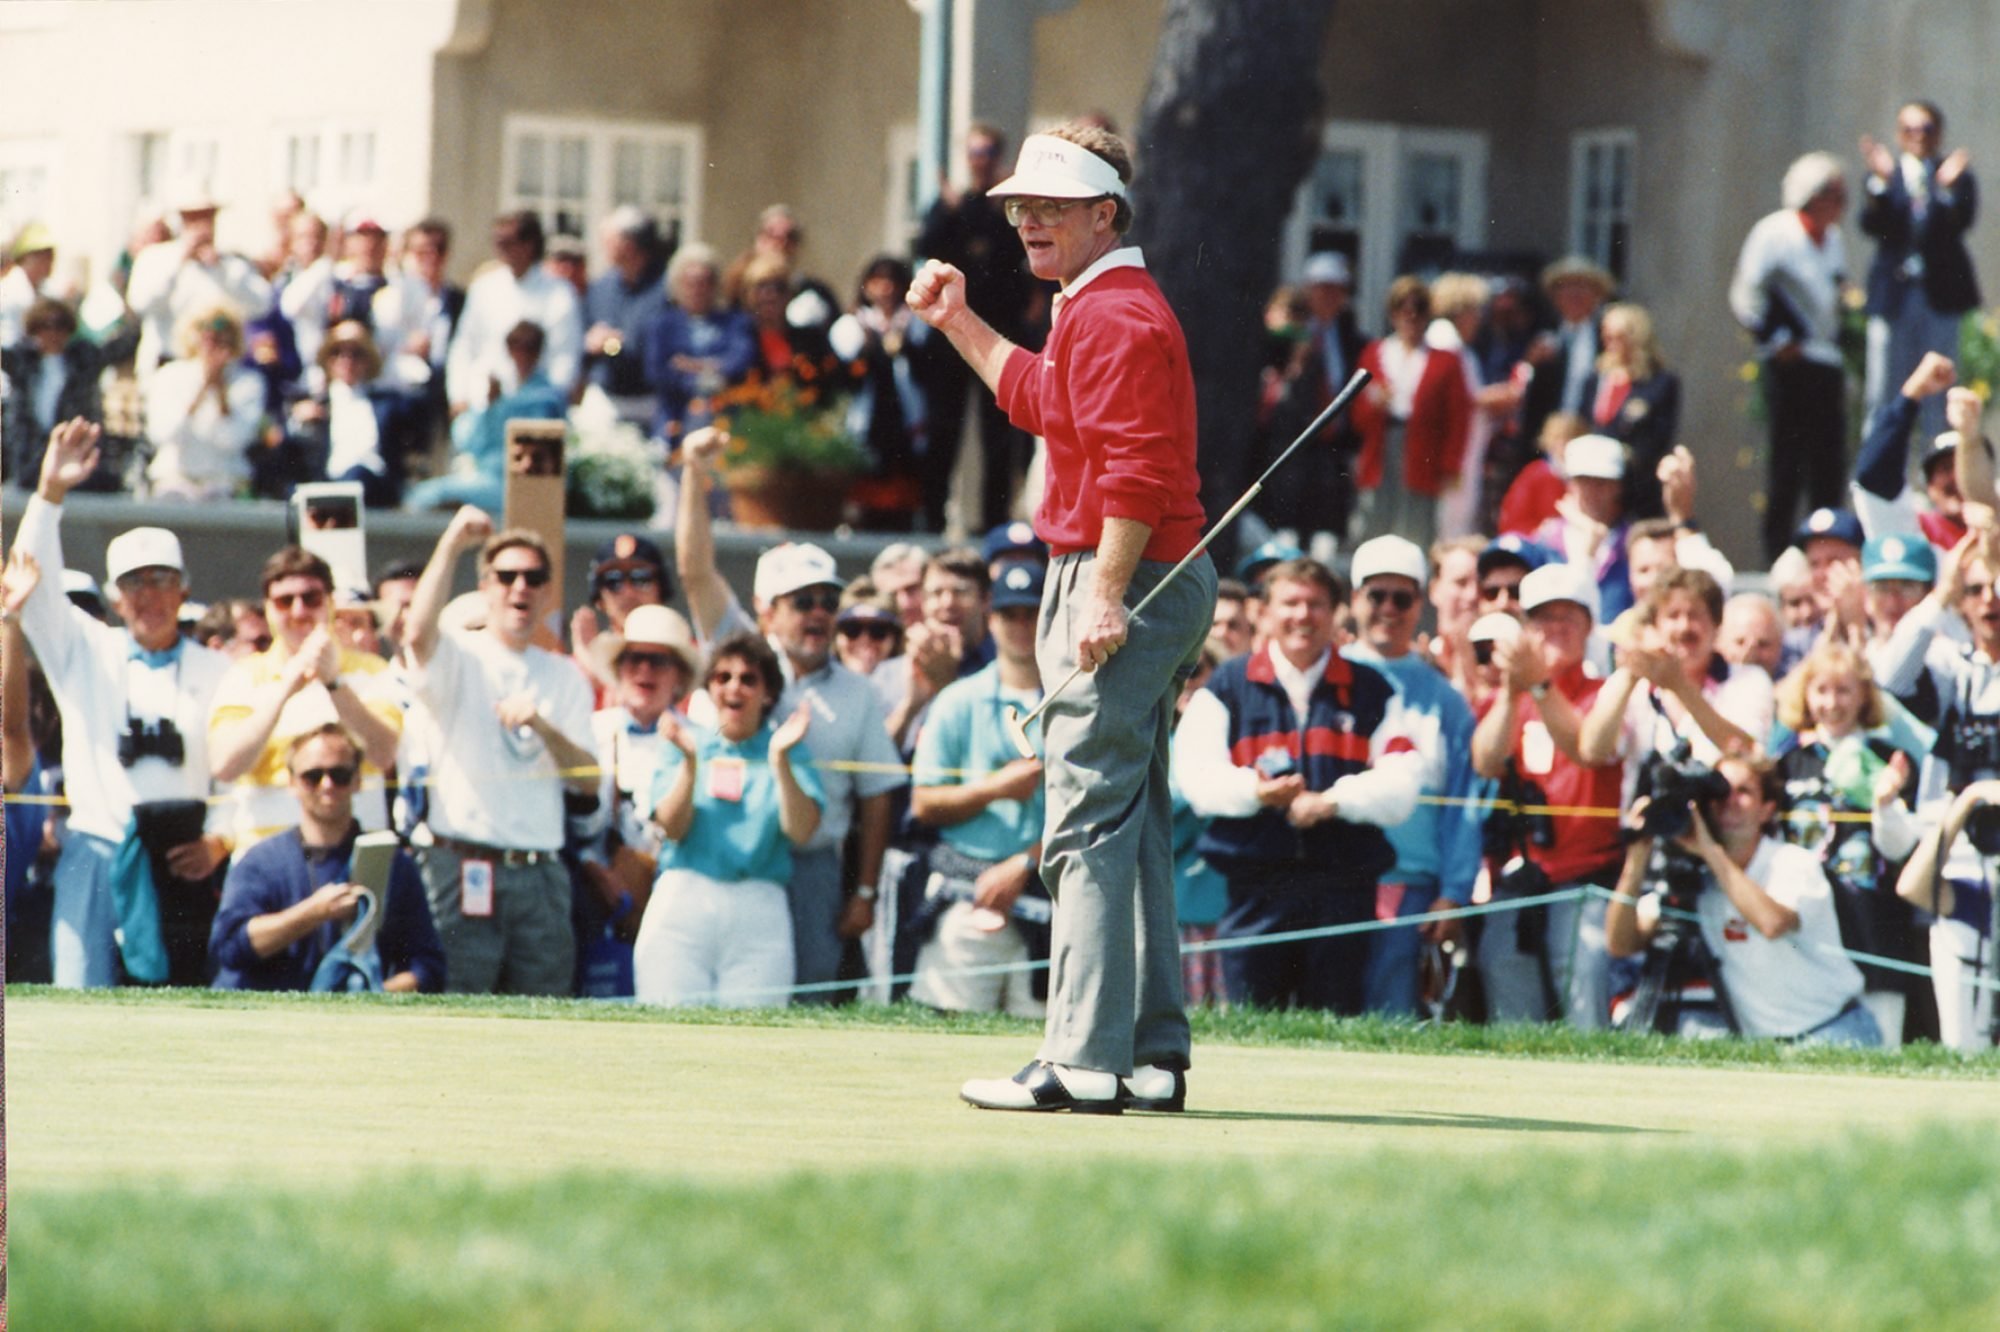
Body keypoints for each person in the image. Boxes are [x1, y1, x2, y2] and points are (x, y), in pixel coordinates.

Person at [911, 121, 1214, 1113]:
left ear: (1103, 214)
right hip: (1130, 568)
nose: (1027, 223)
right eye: (1018, 208)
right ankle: (1148, 1055)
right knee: (1126, 823)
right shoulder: (1092, 305)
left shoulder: (1117, 316)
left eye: (1049, 206)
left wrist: (1102, 592)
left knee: (1081, 819)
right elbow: (1041, 399)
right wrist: (958, 320)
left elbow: (1134, 468)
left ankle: (1082, 1058)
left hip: (1121, 568)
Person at [675, 436, 905, 999]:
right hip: (721, 851)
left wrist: (867, 892)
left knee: (803, 1008)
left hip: (810, 870)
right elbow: (695, 570)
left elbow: (877, 798)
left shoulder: (857, 693)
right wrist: (691, 472)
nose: (820, 615)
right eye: (803, 602)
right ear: (766, 610)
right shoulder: (740, 660)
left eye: (830, 601)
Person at [13, 419, 234, 986]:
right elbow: (30, 582)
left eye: (162, 580)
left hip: (182, 859)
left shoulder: (221, 671)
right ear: (114, 597)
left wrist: (220, 839)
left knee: (177, 1007)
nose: (149, 596)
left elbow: (241, 771)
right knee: (79, 990)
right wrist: (50, 494)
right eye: (134, 584)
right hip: (94, 849)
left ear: (184, 589)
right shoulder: (87, 651)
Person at [1172, 558, 1422, 1012]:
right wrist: (1257, 793)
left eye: (1316, 604)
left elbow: (1403, 784)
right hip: (1253, 888)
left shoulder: (1373, 691)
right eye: (1290, 603)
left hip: (1343, 887)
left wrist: (1332, 803)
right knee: (1250, 1029)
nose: (1303, 616)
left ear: (1336, 614)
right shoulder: (1227, 686)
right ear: (1262, 614)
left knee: (1334, 1028)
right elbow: (1196, 777)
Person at [401, 506, 598, 995]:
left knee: (544, 1021)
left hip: (540, 876)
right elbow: (416, 634)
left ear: (548, 591)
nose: (520, 588)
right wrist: (451, 543)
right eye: (506, 576)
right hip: (462, 866)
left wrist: (542, 725)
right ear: (485, 587)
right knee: (459, 1022)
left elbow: (590, 780)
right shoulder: (460, 654)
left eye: (533, 578)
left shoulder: (565, 675)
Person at [1605, 755, 1880, 1046]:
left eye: (1744, 792)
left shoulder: (1792, 862)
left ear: (1767, 810)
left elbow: (1772, 923)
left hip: (1834, 1031)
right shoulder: (1701, 878)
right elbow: (1620, 943)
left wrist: (1710, 850)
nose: (1729, 801)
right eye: (1719, 793)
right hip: (1770, 1050)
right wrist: (1636, 858)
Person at [631, 631, 822, 1007]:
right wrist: (689, 764)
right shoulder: (684, 742)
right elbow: (672, 827)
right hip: (684, 899)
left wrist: (780, 761)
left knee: (752, 1039)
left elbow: (800, 831)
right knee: (666, 1021)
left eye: (749, 679)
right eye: (723, 678)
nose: (734, 688)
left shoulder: (788, 749)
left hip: (759, 905)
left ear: (767, 693)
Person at [1472, 562, 1625, 1026]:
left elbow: (1588, 750)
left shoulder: (1604, 693)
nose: (1555, 629)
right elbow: (1485, 760)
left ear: (1588, 626)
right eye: (1543, 619)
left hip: (1586, 878)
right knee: (1504, 974)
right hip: (1524, 875)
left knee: (1582, 993)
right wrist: (1511, 691)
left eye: (1568, 617)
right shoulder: (1512, 697)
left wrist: (1539, 686)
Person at [1341, 536, 1484, 1014]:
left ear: (1420, 604)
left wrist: (1454, 892)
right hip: (1332, 880)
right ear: (1354, 599)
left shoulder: (1444, 699)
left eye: (1401, 598)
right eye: (1375, 595)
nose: (1388, 608)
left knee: (1392, 1020)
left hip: (1411, 889)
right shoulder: (1327, 678)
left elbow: (1465, 802)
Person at [908, 559, 1050, 1016]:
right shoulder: (957, 700)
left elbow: (1098, 809)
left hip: (1052, 893)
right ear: (990, 618)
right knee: (950, 1036)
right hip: (967, 890)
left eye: (1032, 613)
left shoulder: (1079, 704)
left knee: (1047, 1047)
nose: (1021, 626)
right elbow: (925, 803)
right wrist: (995, 789)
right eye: (1010, 615)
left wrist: (1025, 862)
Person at [208, 723, 445, 993]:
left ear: (358, 780)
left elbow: (427, 967)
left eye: (340, 774)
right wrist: (313, 913)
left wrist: (370, 998)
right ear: (292, 783)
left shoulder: (392, 862)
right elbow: (228, 948)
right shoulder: (260, 861)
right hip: (272, 1015)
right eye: (312, 776)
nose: (327, 785)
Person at [1771, 642, 1929, 1044]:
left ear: (1863, 696)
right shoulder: (1787, 766)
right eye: (1821, 690)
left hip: (1873, 927)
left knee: (1882, 1052)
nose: (1832, 702)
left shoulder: (1888, 758)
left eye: (1844, 690)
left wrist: (1886, 802)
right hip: (1807, 938)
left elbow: (1900, 849)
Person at [207, 546, 404, 853]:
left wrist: (334, 683)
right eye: (285, 601)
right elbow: (225, 766)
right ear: (269, 610)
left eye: (310, 599)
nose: (298, 612)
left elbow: (384, 755)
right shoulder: (242, 676)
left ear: (329, 603)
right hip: (266, 858)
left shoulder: (372, 671)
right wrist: (287, 686)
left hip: (355, 853)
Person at [914, 123, 1039, 534]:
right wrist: (952, 210)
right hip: (950, 335)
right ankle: (934, 520)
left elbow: (1021, 255)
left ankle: (994, 524)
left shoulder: (1007, 207)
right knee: (943, 429)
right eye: (974, 152)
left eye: (987, 152)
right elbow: (924, 245)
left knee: (999, 434)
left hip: (998, 329)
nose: (980, 161)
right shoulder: (952, 204)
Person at [1730, 151, 1852, 560]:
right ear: (1813, 197)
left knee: (1828, 462)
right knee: (1787, 460)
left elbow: (1834, 295)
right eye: (1834, 195)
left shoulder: (1833, 240)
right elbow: (1746, 294)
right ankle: (1778, 555)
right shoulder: (1774, 233)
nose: (1841, 205)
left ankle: (1827, 548)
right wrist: (1777, 339)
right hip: (1791, 362)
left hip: (1826, 361)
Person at [576, 603, 697, 961]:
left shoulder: (700, 739)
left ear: (679, 676)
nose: (645, 670)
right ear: (618, 668)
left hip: (679, 899)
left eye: (659, 661)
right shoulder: (593, 731)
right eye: (634, 658)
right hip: (600, 900)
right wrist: (592, 867)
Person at [1860, 101, 1980, 441]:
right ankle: (1876, 481)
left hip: (1937, 298)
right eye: (1909, 129)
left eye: (1925, 129)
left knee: (1940, 391)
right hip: (1894, 297)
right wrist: (1882, 186)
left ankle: (1938, 480)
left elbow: (1962, 223)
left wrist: (1943, 191)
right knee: (1883, 390)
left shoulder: (1955, 176)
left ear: (1938, 133)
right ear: (1899, 134)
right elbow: (1873, 226)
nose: (1918, 137)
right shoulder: (1885, 176)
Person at [1352, 276, 1472, 552]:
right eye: (1401, 308)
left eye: (1418, 309)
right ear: (1392, 313)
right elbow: (1357, 416)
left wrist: (1451, 466)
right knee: (1373, 524)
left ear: (1427, 315)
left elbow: (1458, 419)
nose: (1410, 316)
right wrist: (1374, 404)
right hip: (1381, 448)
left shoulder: (1445, 360)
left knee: (1416, 529)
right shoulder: (1375, 353)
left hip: (1422, 453)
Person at [1259, 251, 1365, 553]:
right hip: (1291, 441)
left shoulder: (1351, 338)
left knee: (1326, 526)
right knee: (1286, 522)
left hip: (1332, 445)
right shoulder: (1287, 331)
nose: (1329, 297)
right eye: (1322, 288)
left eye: (1337, 289)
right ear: (1308, 290)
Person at [828, 255, 936, 530]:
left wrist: (904, 344)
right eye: (878, 281)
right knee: (864, 493)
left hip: (905, 416)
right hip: (867, 418)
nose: (885, 289)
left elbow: (928, 369)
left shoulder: (917, 323)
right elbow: (843, 375)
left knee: (904, 495)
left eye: (891, 281)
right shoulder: (853, 323)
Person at [124, 185, 273, 383]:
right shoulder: (155, 258)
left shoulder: (231, 264)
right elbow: (141, 303)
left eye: (207, 217)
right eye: (193, 218)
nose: (201, 225)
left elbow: (262, 306)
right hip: (168, 364)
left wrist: (221, 271)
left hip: (218, 371)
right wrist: (180, 261)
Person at [446, 210, 583, 415]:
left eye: (507, 242)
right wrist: (458, 395)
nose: (500, 248)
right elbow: (465, 344)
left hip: (537, 407)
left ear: (529, 245)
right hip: (485, 408)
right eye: (497, 241)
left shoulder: (560, 293)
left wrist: (546, 402)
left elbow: (564, 358)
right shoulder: (484, 288)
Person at [287, 319, 426, 507]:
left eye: (356, 353)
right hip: (331, 489)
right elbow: (288, 457)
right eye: (337, 352)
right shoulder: (315, 404)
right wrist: (297, 422)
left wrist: (416, 358)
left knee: (359, 474)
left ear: (367, 360)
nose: (347, 360)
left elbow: (425, 415)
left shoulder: (386, 404)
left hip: (376, 490)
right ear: (327, 359)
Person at [143, 305, 266, 500]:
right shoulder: (168, 375)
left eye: (221, 337)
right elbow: (163, 434)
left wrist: (220, 391)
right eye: (205, 334)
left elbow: (234, 441)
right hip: (175, 479)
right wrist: (201, 390)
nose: (212, 343)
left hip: (226, 480)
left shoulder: (249, 381)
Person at [642, 243, 754, 447]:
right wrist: (711, 369)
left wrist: (690, 365)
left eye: (706, 282)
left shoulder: (735, 323)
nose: (698, 289)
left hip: (724, 417)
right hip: (675, 419)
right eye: (691, 282)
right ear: (678, 284)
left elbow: (740, 362)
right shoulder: (662, 325)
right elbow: (657, 372)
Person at [1580, 301, 1681, 520]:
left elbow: (1658, 438)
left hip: (1636, 488)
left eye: (1618, 337)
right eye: (1606, 336)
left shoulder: (1660, 382)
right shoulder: (1596, 378)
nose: (1610, 343)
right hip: (1597, 485)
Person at [581, 207, 669, 427]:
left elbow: (647, 345)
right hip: (605, 396)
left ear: (628, 245)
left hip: (649, 400)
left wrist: (611, 344)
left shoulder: (665, 289)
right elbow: (587, 334)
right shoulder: (602, 287)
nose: (602, 246)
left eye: (608, 240)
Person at [1521, 256, 1616, 444]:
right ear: (1554, 296)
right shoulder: (1541, 334)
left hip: (1592, 435)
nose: (1574, 294)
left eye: (1583, 286)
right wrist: (1530, 363)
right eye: (1566, 287)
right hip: (1548, 438)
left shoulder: (1607, 338)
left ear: (1597, 295)